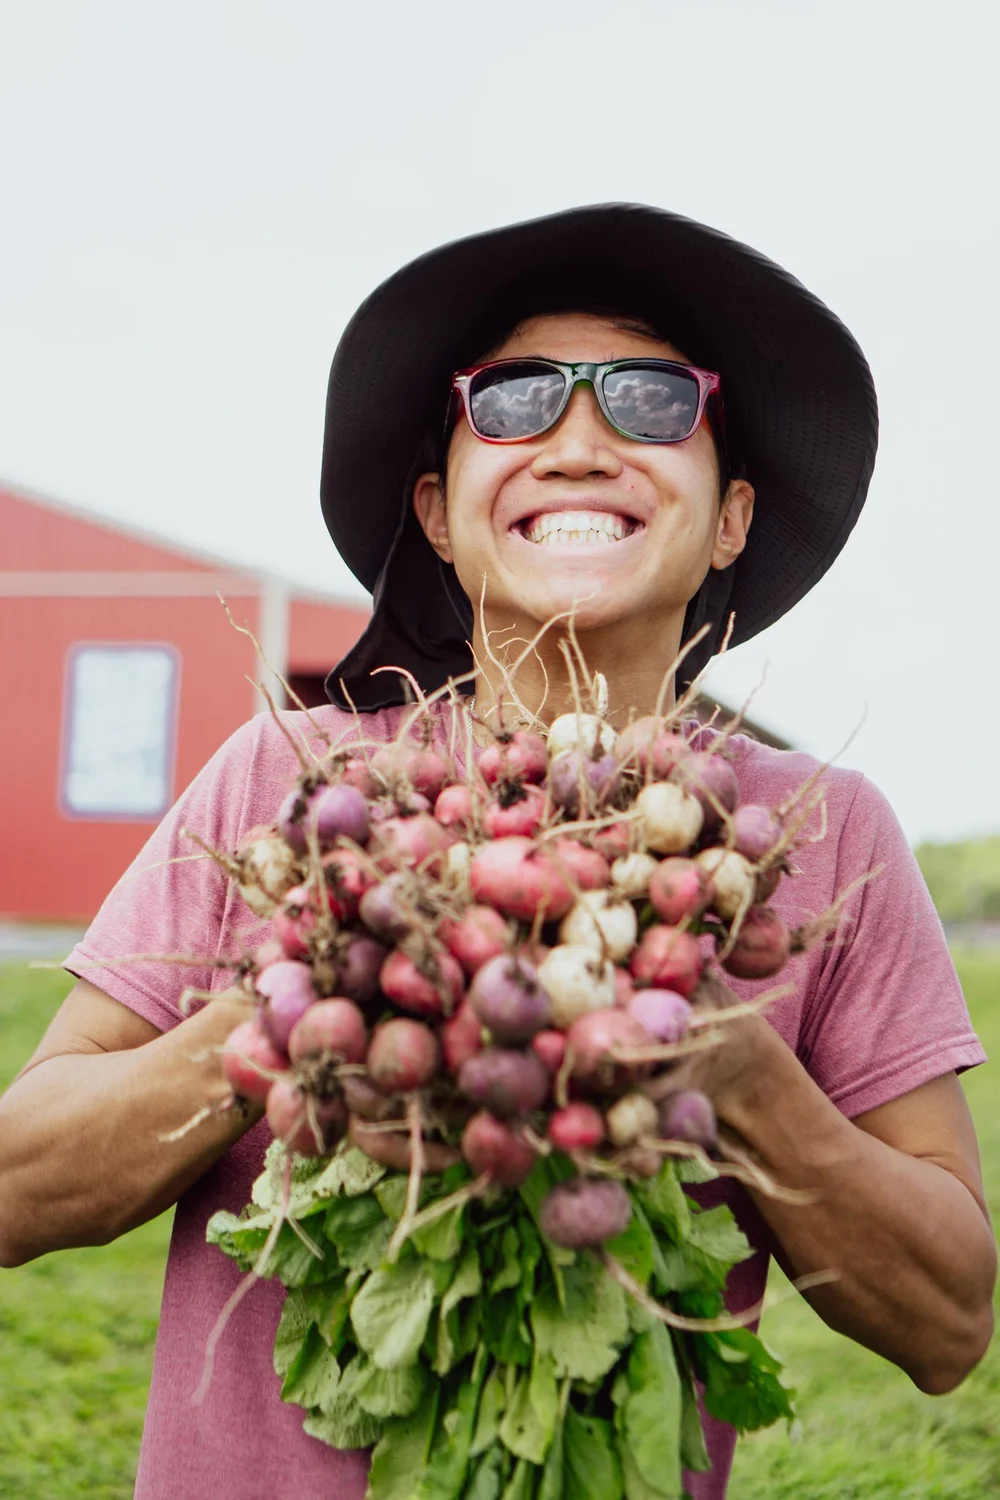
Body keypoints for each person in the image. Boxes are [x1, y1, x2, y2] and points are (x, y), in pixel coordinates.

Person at [0, 204, 993, 1500]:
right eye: (514, 403)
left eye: (649, 402)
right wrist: (298, 1008)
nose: (580, 441)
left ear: (734, 516)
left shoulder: (825, 831)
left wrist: (740, 1080)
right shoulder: (284, 778)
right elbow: (18, 1186)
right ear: (441, 508)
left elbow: (947, 1326)